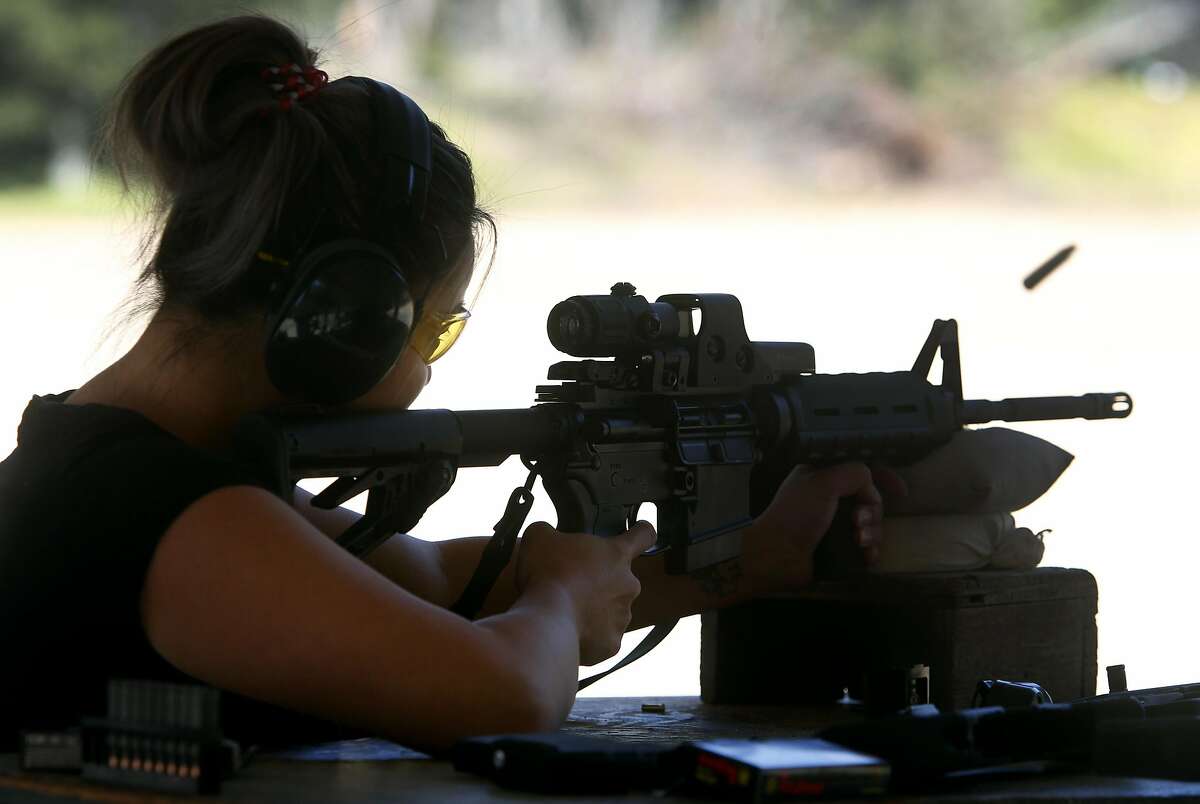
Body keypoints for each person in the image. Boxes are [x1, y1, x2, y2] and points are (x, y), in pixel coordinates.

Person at [0, 15, 893, 754]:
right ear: (349, 315)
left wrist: (747, 559)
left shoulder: (116, 460)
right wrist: (559, 600)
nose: (430, 363)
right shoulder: (170, 516)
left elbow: (427, 579)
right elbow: (502, 695)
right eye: (433, 327)